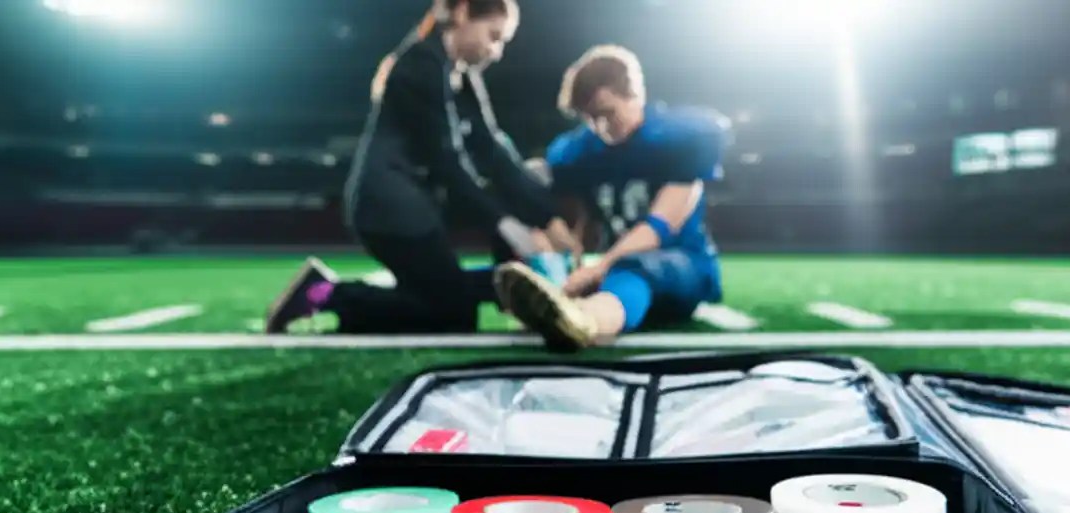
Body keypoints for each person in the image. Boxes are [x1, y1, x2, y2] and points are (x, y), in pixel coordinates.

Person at [265, 0, 577, 335]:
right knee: (450, 315)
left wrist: (547, 218)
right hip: (390, 210)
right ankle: (324, 293)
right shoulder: (420, 65)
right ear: (462, 15)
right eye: (493, 36)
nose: (496, 51)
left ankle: (512, 286)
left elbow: (494, 154)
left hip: (415, 207)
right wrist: (510, 227)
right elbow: (449, 164)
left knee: (441, 304)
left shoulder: (460, 76)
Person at [494, 45, 733, 351]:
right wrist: (566, 261)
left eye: (607, 113)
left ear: (635, 95)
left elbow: (659, 228)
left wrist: (600, 267)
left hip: (682, 263)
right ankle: (561, 308)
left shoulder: (678, 139)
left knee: (633, 267)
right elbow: (581, 224)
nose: (600, 127)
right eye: (591, 118)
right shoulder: (580, 151)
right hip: (613, 266)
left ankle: (585, 322)